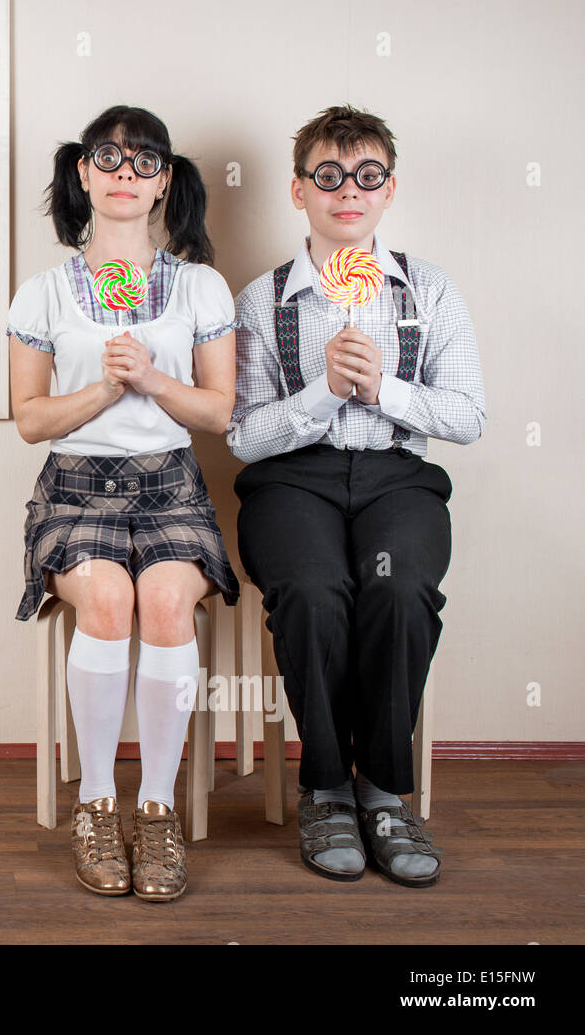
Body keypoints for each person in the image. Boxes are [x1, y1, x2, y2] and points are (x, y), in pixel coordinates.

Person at [228, 105, 485, 887]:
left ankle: (383, 790)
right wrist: (318, 394)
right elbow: (242, 435)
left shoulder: (430, 291)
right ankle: (328, 788)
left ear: (389, 190)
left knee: (398, 588)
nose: (350, 191)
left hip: (396, 480)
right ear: (300, 191)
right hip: (292, 480)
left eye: (367, 176)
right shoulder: (260, 301)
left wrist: (387, 390)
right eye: (329, 176)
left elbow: (469, 417)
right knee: (312, 592)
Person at [9, 105, 240, 901]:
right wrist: (103, 389)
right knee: (107, 598)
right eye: (109, 157)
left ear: (165, 182)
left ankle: (157, 809)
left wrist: (150, 380)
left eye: (145, 163)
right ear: (83, 171)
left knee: (165, 602)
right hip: (75, 489)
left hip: (172, 485)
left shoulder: (199, 286)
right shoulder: (43, 293)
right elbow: (30, 421)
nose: (125, 174)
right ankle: (98, 804)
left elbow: (218, 413)